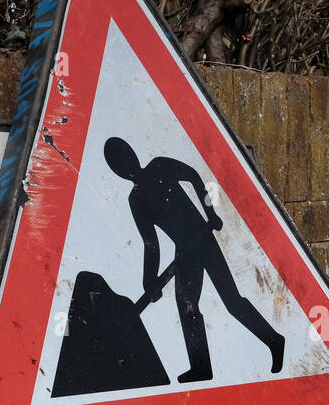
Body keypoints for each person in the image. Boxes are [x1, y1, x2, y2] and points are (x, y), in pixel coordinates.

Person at [103, 136, 285, 382]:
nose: (126, 166)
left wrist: (210, 212)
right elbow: (151, 243)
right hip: (184, 253)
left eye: (125, 157)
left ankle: (274, 341)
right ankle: (201, 367)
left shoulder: (159, 166)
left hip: (203, 239)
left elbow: (194, 177)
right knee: (187, 306)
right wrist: (149, 281)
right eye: (118, 164)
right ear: (117, 172)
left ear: (133, 154)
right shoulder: (135, 200)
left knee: (231, 301)